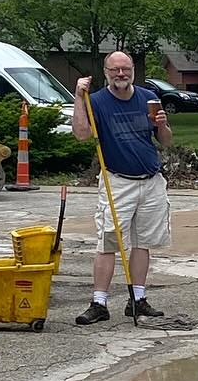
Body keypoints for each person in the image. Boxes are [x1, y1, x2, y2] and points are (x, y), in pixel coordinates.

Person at [71, 51, 173, 323]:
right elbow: (81, 134)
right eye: (115, 70)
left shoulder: (147, 98)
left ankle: (138, 300)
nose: (120, 74)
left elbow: (165, 141)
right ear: (106, 72)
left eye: (125, 69)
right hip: (118, 181)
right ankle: (99, 303)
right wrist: (79, 97)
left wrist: (162, 126)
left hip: (151, 181)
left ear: (132, 72)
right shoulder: (97, 103)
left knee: (143, 243)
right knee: (108, 242)